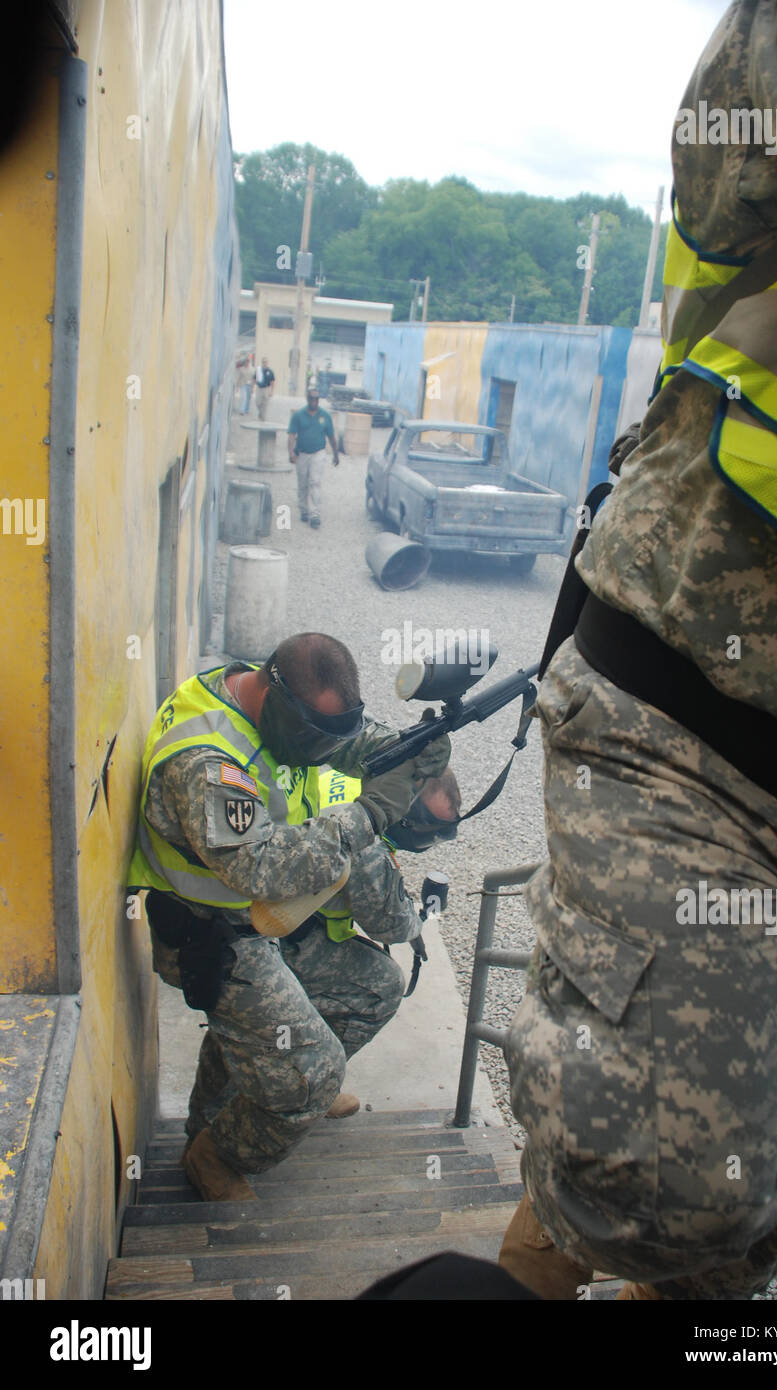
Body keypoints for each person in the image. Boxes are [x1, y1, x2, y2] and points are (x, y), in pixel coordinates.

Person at [503, 0, 777, 1301]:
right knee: (666, 1191)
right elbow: (728, 157)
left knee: (762, 1219)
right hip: (689, 721)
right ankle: (568, 1178)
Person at [127, 632, 450, 1202]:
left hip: (268, 924)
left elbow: (345, 741)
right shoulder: (206, 764)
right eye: (316, 739)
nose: (325, 754)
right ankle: (217, 1152)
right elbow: (267, 869)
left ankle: (265, 1093)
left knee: (375, 986)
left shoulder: (270, 693)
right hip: (213, 935)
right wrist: (371, 810)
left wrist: (405, 749)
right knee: (316, 1075)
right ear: (280, 709)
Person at [317, 766, 461, 944]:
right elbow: (393, 927)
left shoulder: (359, 776)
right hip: (299, 922)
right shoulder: (366, 841)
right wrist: (416, 925)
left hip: (290, 888)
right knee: (387, 973)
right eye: (424, 830)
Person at [287, 386, 340, 528]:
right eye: (311, 398)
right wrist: (291, 452)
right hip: (302, 453)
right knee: (302, 483)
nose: (314, 401)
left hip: (318, 452)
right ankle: (304, 510)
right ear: (307, 399)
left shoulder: (325, 416)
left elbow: (331, 436)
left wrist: (336, 453)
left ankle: (315, 514)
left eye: (316, 399)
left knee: (315, 482)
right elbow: (292, 435)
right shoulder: (298, 416)